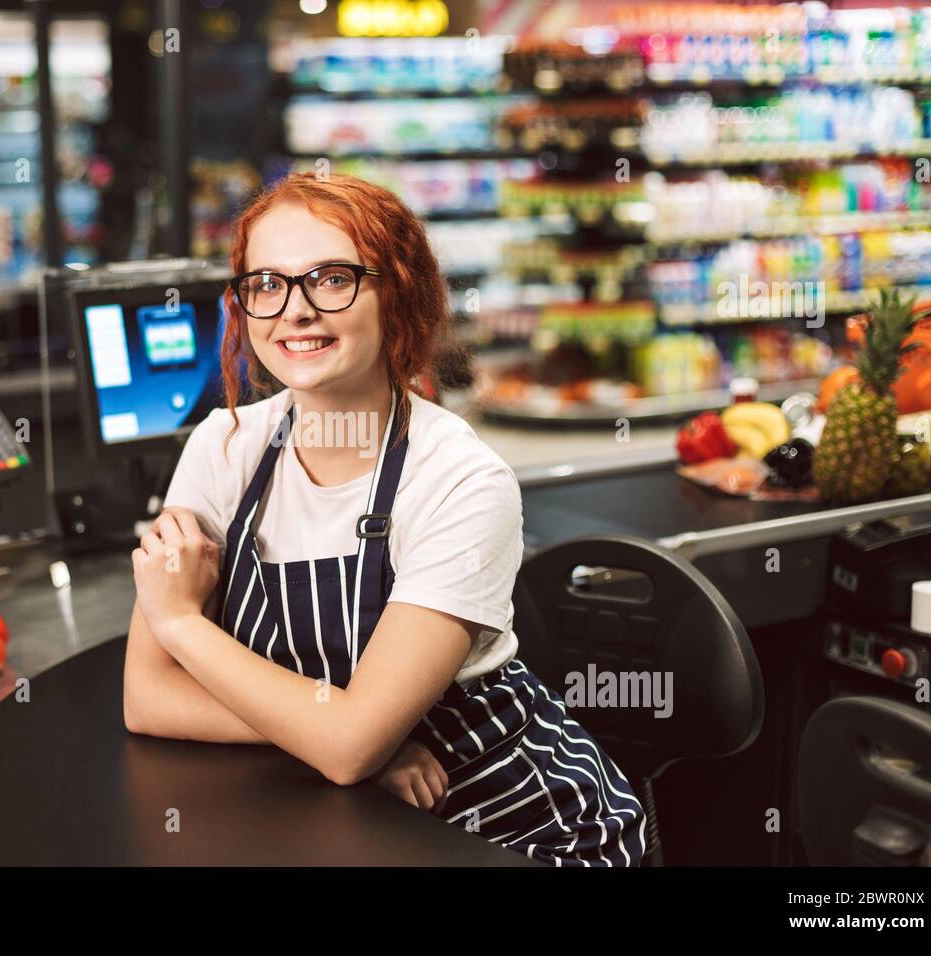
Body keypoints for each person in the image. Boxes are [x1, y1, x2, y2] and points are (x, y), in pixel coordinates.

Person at [123, 172, 645, 866]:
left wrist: (183, 622)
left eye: (331, 279)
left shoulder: (460, 481)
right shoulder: (224, 450)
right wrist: (345, 734)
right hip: (342, 817)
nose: (295, 311)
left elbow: (344, 748)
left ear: (395, 290)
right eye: (268, 284)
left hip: (506, 827)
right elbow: (149, 698)